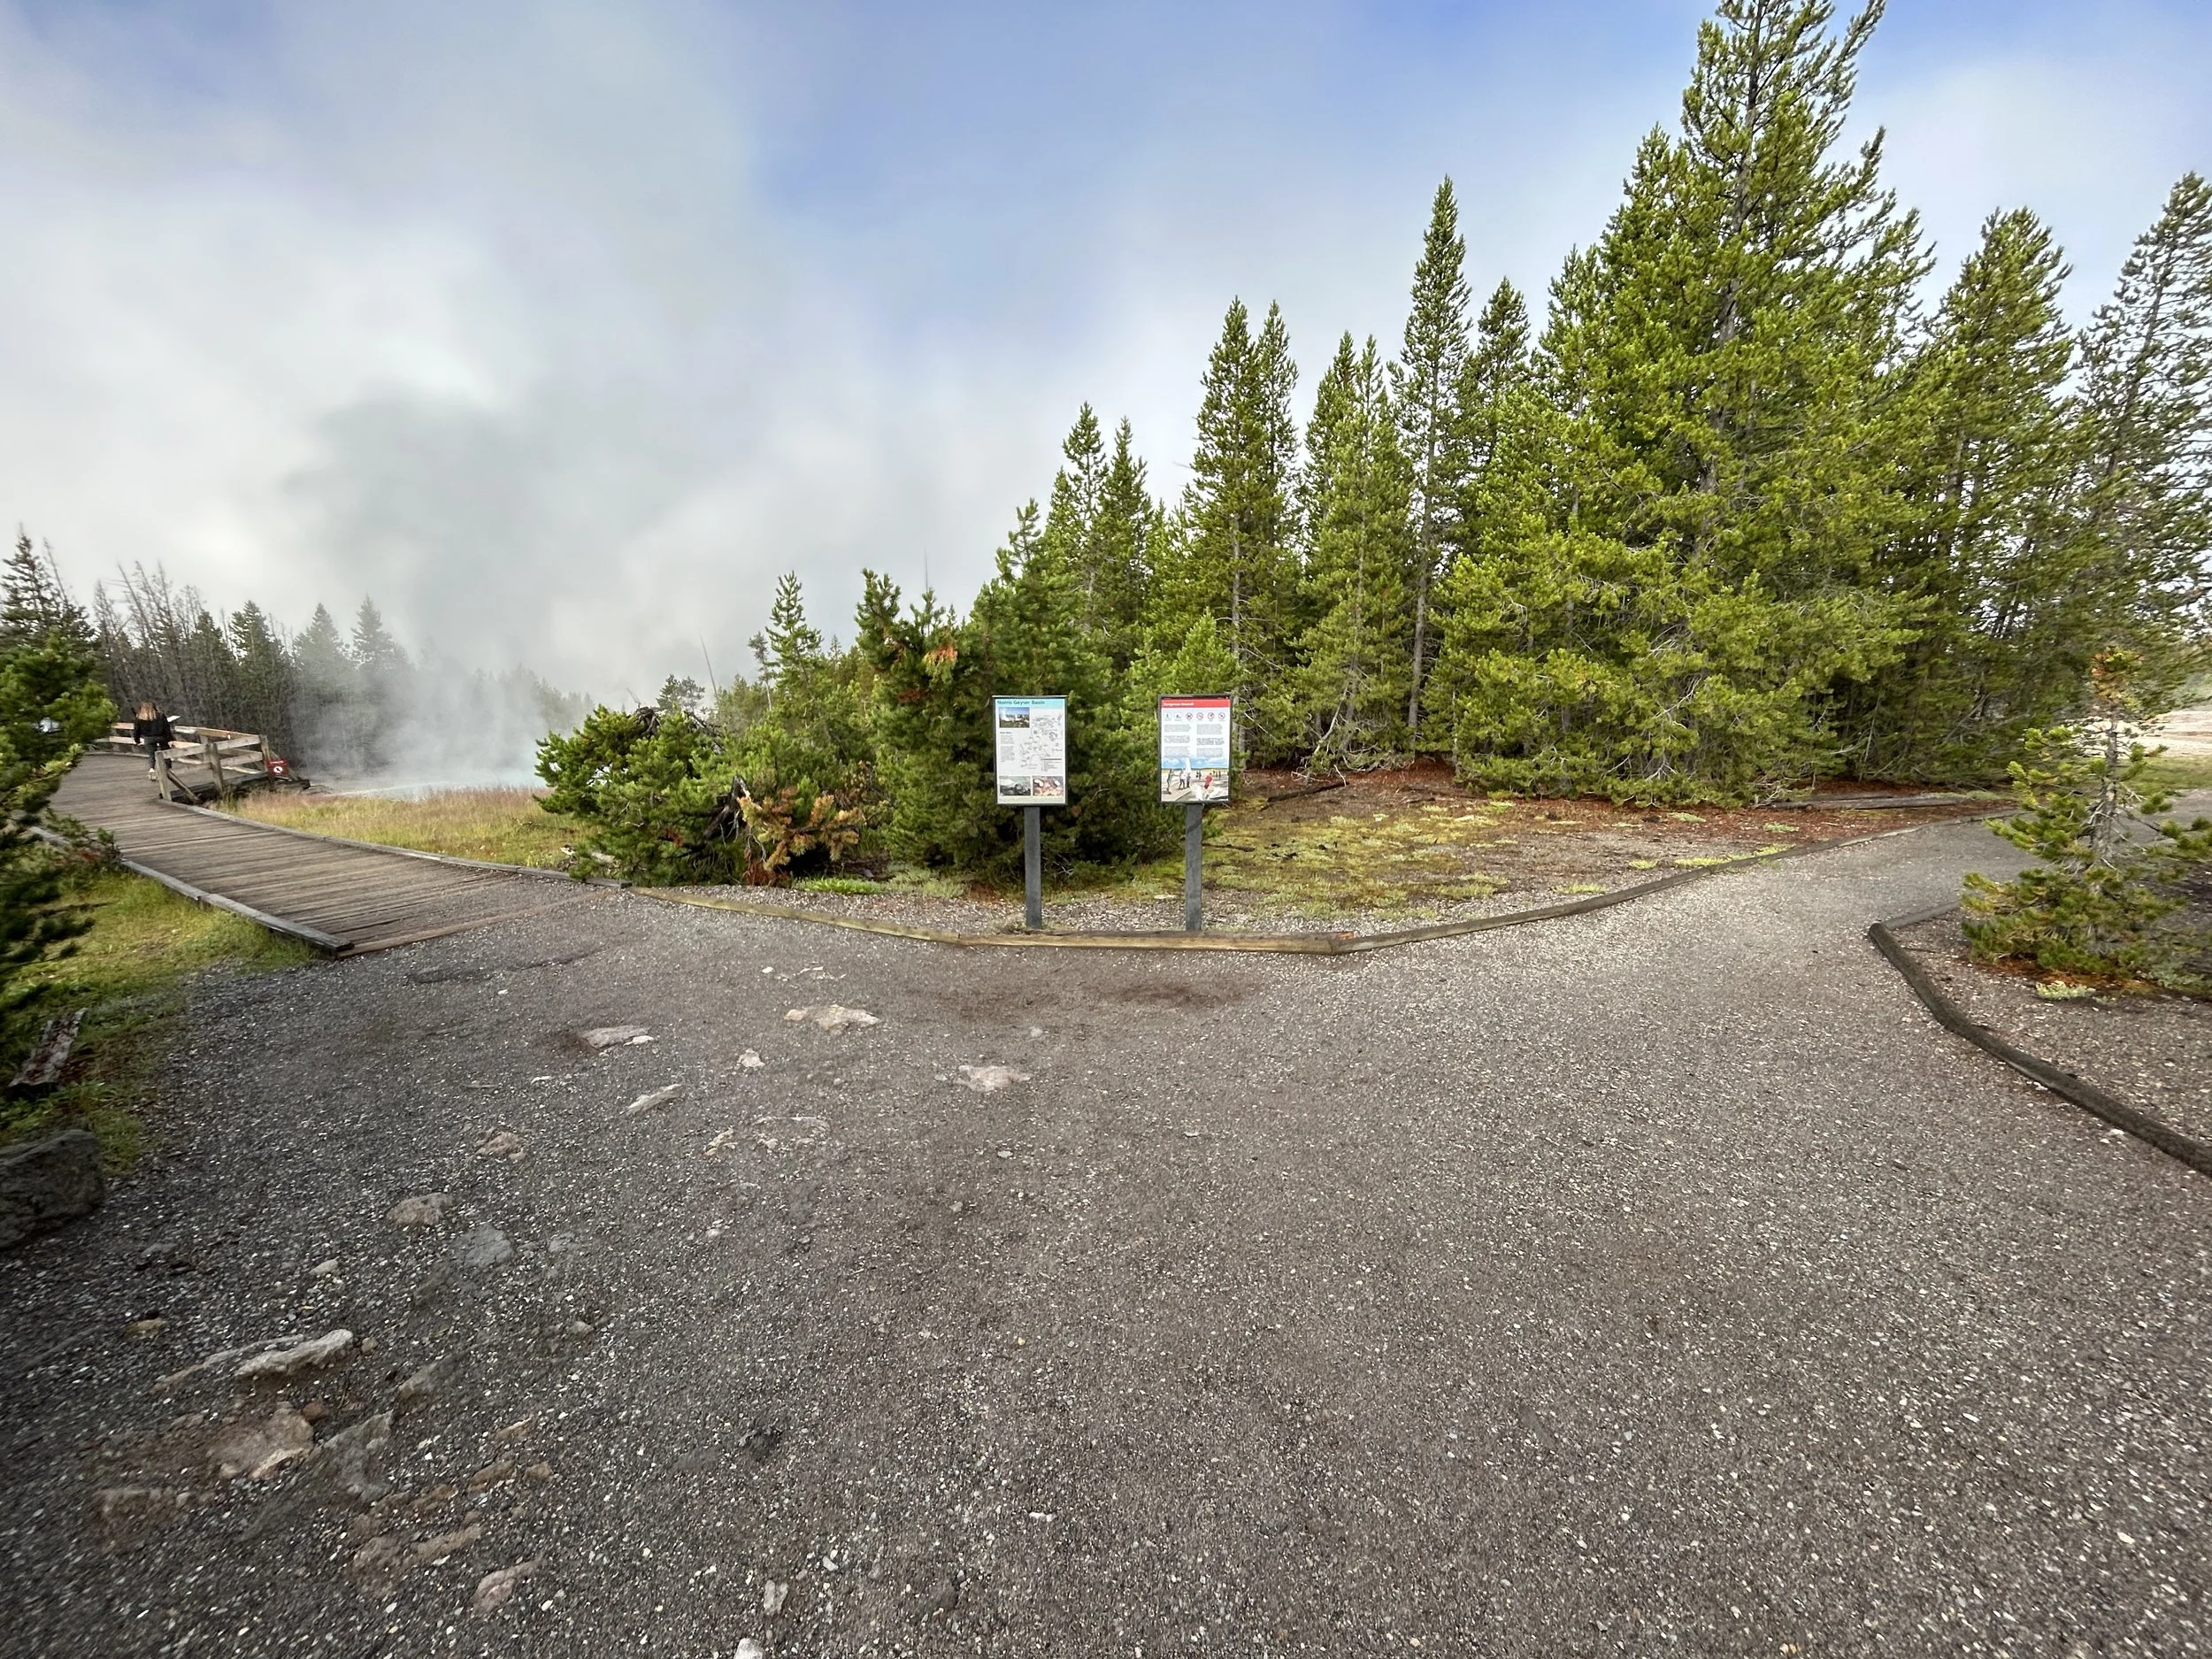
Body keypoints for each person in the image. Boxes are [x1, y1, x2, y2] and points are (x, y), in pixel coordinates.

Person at [132, 701, 175, 777]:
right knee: (165, 752)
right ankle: (167, 768)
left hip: (149, 738)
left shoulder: (140, 718)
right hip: (161, 737)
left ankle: (152, 769)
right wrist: (170, 739)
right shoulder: (161, 716)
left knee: (151, 754)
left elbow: (136, 730)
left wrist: (137, 740)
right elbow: (166, 729)